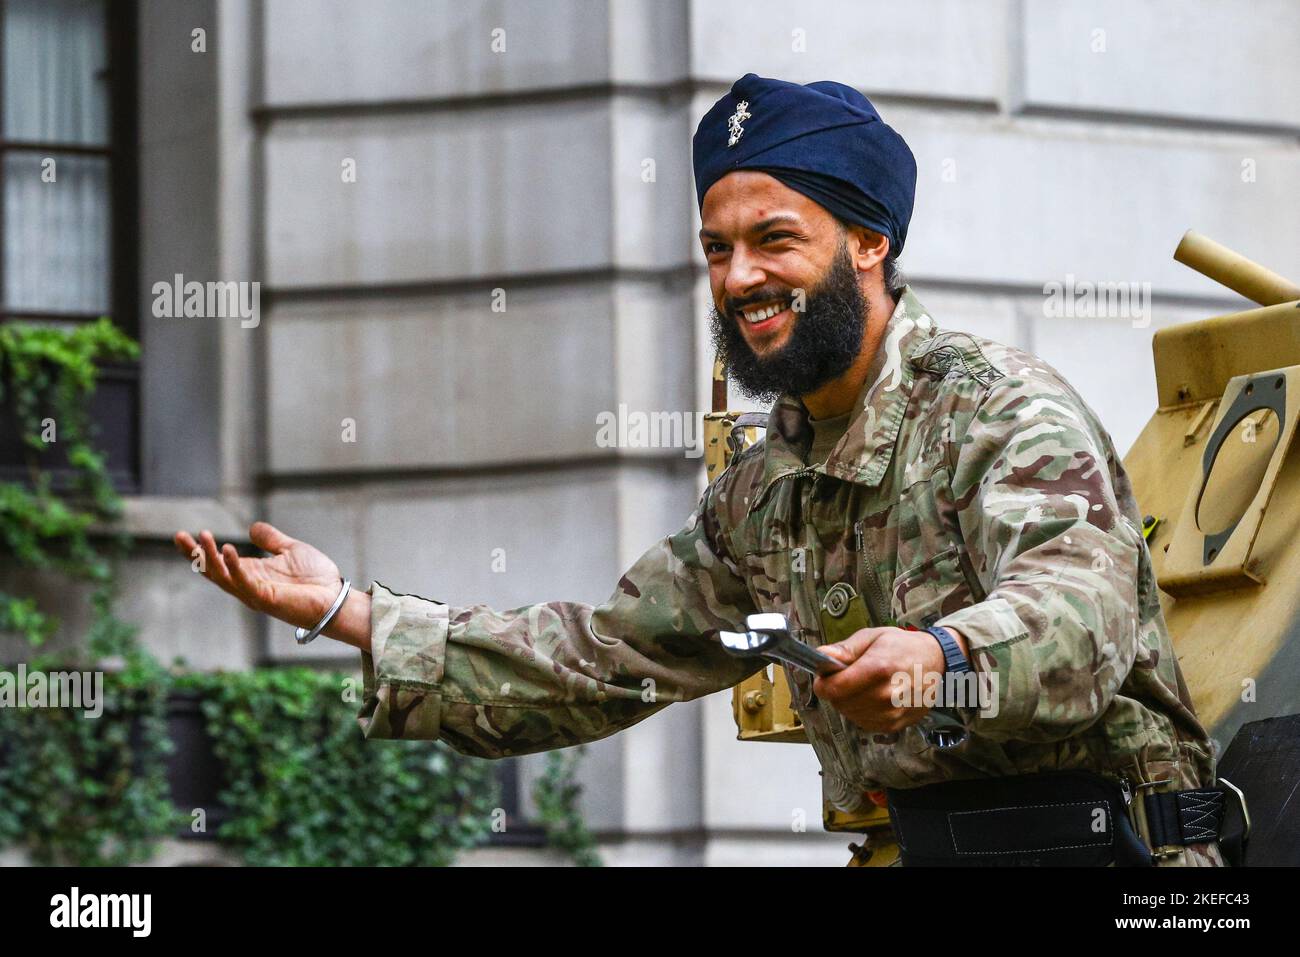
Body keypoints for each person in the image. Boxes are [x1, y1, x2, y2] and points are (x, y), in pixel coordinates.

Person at [174, 73, 1232, 866]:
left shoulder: (997, 409)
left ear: (869, 241)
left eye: (775, 239)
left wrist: (935, 656)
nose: (740, 278)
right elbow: (605, 658)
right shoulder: (765, 490)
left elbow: (1081, 623)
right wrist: (351, 613)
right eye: (717, 249)